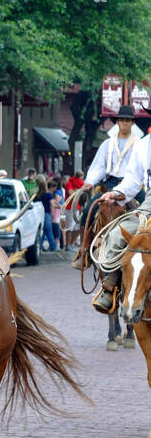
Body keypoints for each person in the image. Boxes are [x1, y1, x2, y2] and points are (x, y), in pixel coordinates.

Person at [87, 120, 151, 314]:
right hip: (150, 200)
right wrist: (116, 193)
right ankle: (110, 287)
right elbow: (132, 180)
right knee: (115, 235)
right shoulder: (143, 145)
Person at [71, 104, 145, 270]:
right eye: (122, 120)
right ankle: (83, 253)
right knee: (89, 211)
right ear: (117, 122)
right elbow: (98, 166)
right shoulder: (107, 144)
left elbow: (139, 171)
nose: (125, 123)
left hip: (132, 185)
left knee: (146, 212)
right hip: (110, 183)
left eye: (128, 120)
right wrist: (90, 182)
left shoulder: (139, 144)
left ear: (132, 123)